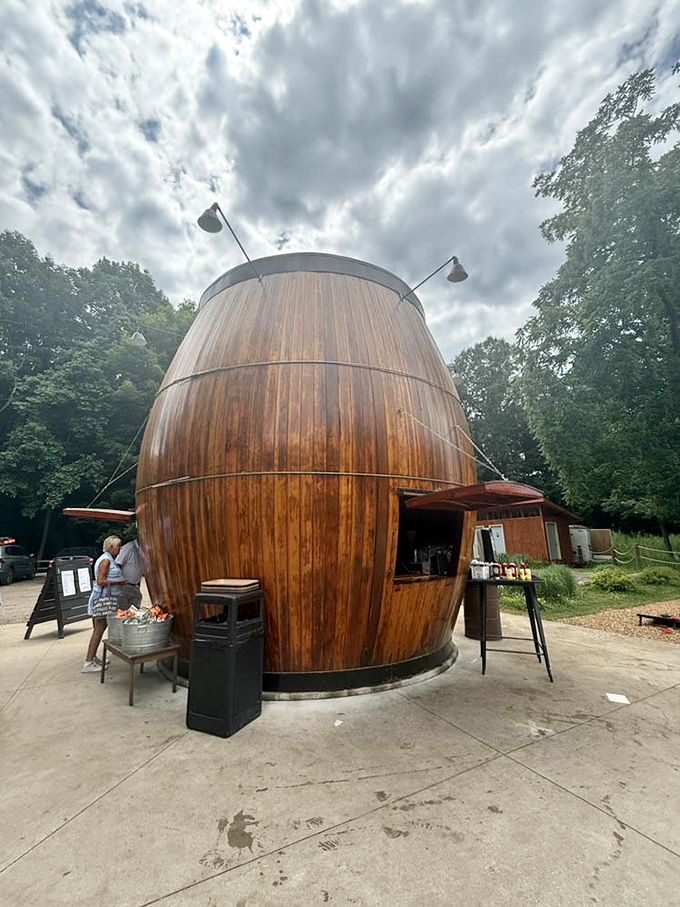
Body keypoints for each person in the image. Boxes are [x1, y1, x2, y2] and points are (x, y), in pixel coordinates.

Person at [82, 536, 125, 673]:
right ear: (110, 547)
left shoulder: (107, 558)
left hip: (103, 598)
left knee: (99, 629)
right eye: (118, 546)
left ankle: (93, 657)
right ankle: (88, 662)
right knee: (98, 630)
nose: (120, 549)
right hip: (102, 599)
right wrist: (119, 582)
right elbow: (100, 581)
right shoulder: (106, 560)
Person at [115, 535, 144, 608]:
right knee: (124, 610)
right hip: (125, 586)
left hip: (134, 585)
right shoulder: (129, 547)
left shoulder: (142, 548)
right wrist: (120, 581)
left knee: (134, 610)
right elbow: (117, 565)